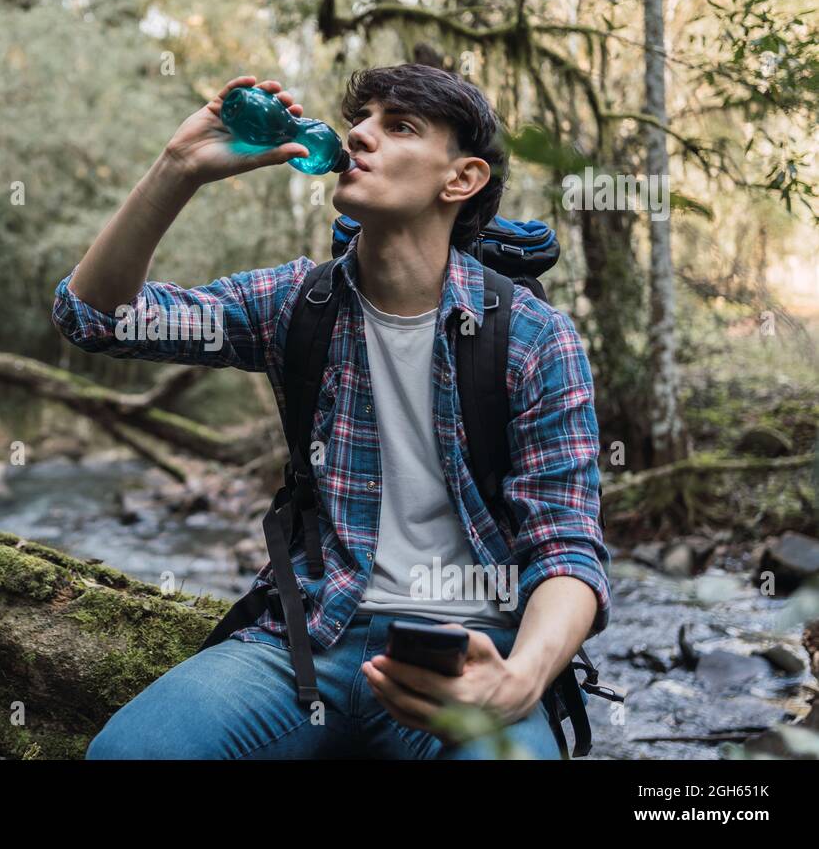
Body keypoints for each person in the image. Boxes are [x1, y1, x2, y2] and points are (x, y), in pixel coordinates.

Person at [51, 63, 611, 759]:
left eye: (398, 125)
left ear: (461, 179)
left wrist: (522, 679)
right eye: (362, 119)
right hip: (307, 645)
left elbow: (566, 550)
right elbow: (96, 319)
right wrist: (179, 168)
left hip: (466, 658)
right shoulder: (297, 304)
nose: (361, 134)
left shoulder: (530, 337)